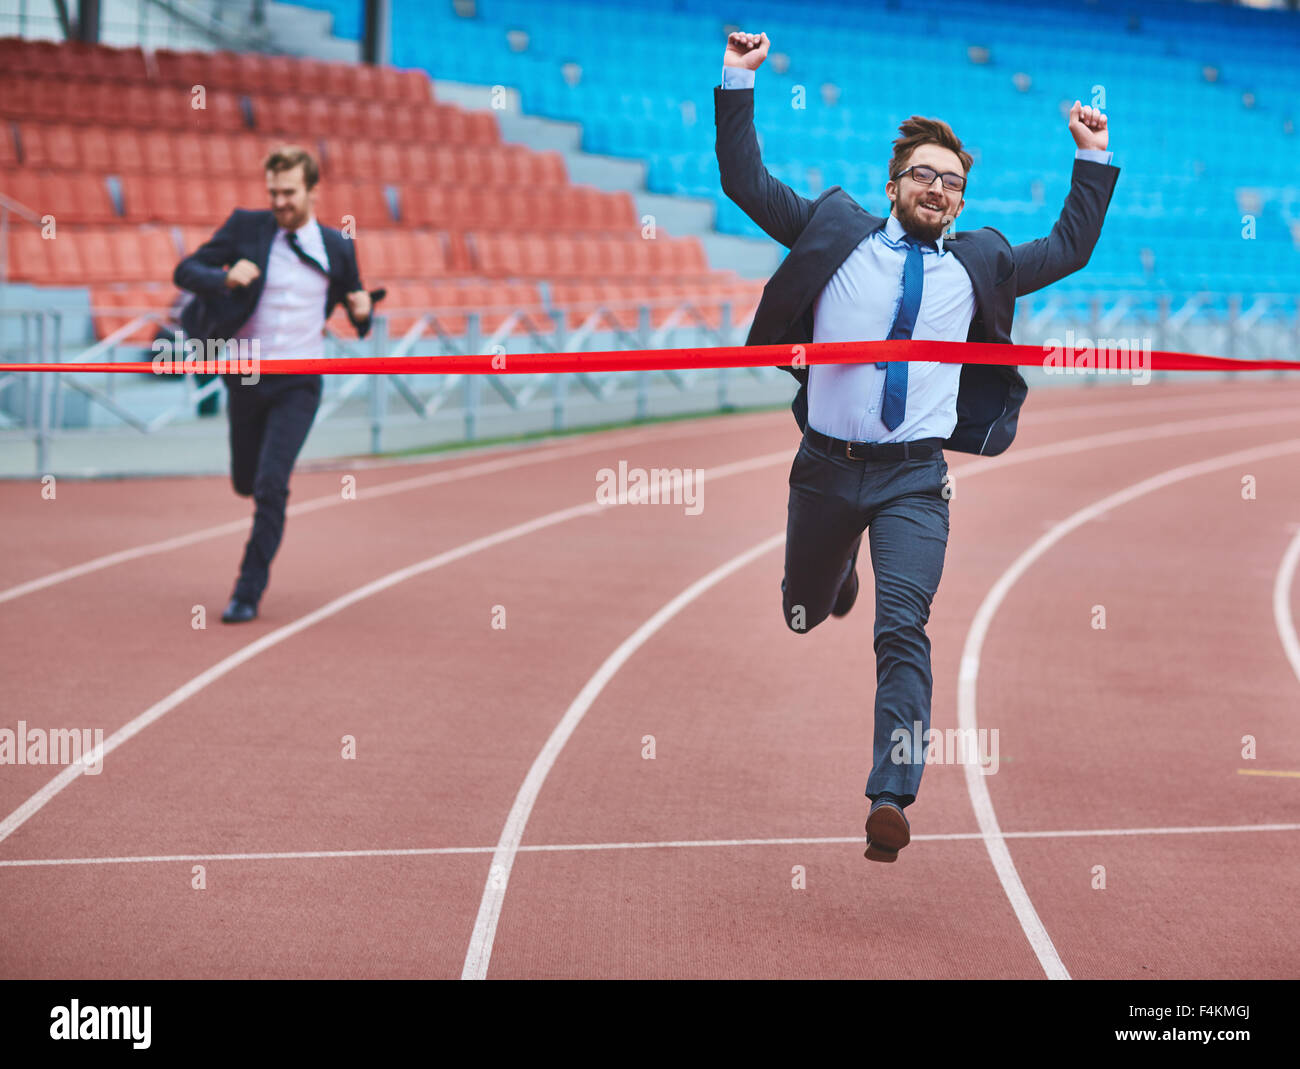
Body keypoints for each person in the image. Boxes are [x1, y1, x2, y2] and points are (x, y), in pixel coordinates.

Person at [716, 31, 1119, 862]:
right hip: (827, 467)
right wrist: (738, 80)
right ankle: (832, 578)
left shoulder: (984, 266)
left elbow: (1071, 246)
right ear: (894, 184)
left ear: (963, 203)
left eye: (953, 183)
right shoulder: (835, 230)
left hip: (914, 482)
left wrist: (1092, 156)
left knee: (905, 628)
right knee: (800, 612)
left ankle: (891, 793)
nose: (938, 189)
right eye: (925, 175)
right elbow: (744, 181)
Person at [174, 146, 377, 623]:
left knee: (271, 484)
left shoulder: (337, 246)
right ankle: (253, 494)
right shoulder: (247, 226)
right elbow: (184, 272)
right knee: (245, 479)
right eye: (273, 192)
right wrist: (224, 278)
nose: (280, 202)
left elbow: (355, 304)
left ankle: (247, 591)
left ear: (312, 191)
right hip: (245, 375)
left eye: (289, 193)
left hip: (299, 383)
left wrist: (364, 314)